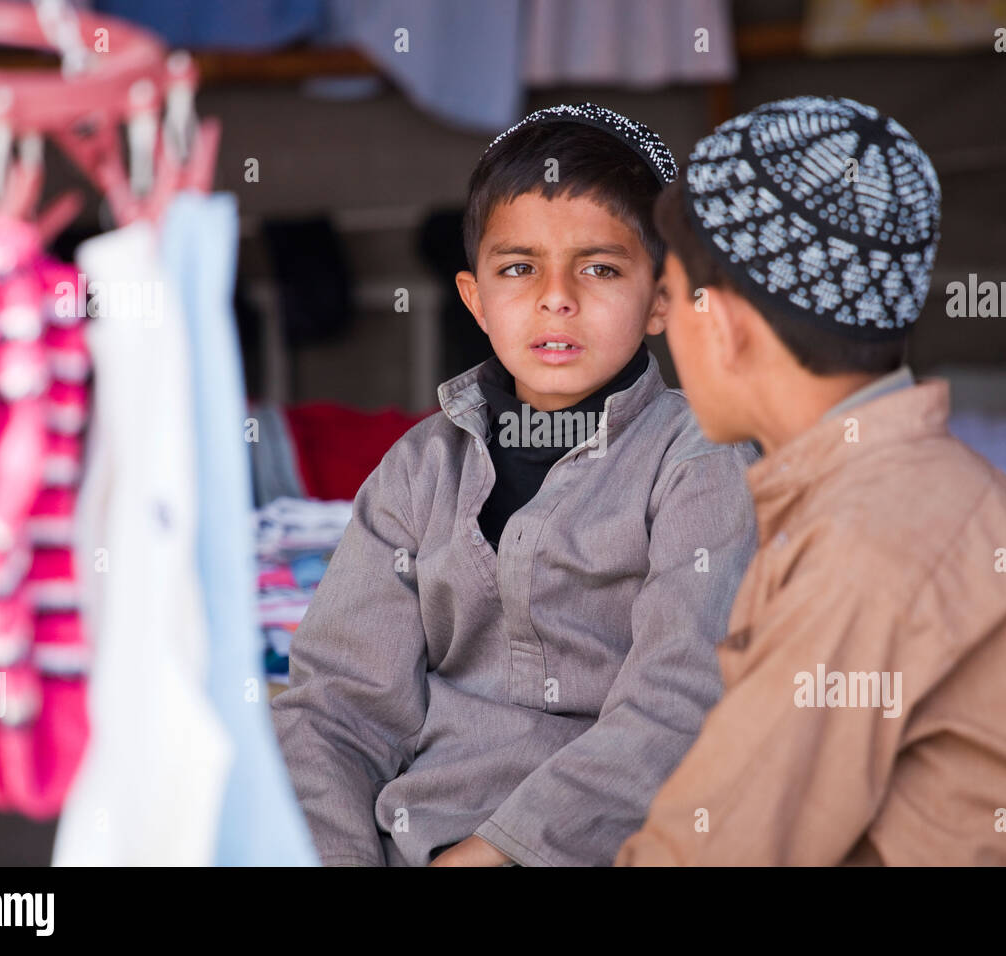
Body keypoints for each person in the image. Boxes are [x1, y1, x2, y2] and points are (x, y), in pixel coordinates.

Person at [616, 96, 1006, 866]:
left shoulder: (865, 545)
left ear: (727, 324)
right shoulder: (931, 486)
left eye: (670, 295)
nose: (661, 323)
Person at [272, 104, 758, 866]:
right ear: (475, 298)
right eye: (518, 267)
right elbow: (336, 709)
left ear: (662, 298)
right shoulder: (419, 468)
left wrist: (497, 853)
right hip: (411, 839)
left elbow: (682, 700)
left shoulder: (698, 461)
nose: (555, 296)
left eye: (599, 267)